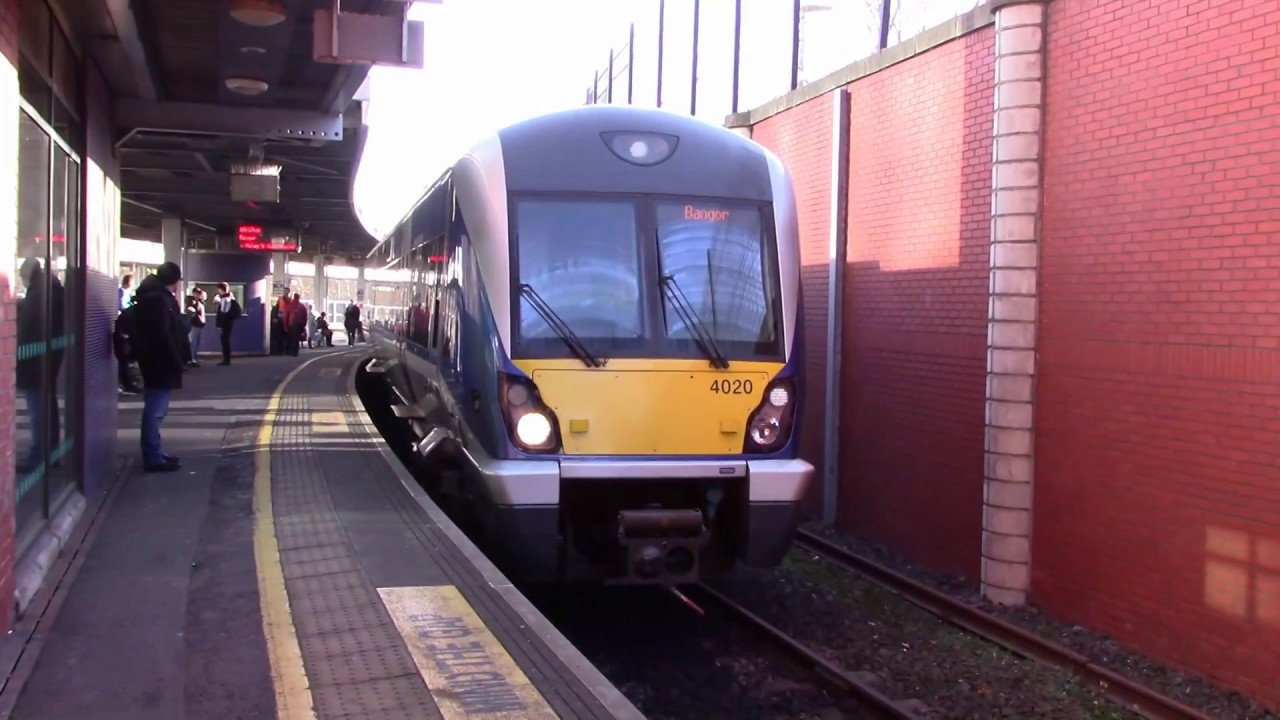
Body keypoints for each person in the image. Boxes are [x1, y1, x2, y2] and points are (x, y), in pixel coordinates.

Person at [133, 261, 185, 473]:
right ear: (174, 281)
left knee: (155, 409)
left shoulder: (152, 296)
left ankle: (156, 451)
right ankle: (153, 456)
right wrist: (175, 360)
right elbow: (164, 334)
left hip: (153, 359)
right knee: (155, 411)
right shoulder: (158, 300)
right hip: (159, 361)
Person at [16, 257, 65, 472]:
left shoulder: (38, 296)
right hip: (48, 360)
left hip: (35, 363)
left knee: (38, 412)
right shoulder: (51, 291)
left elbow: (28, 332)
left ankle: (38, 457)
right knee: (47, 410)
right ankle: (50, 453)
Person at [213, 282, 242, 366]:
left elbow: (223, 313)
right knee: (225, 341)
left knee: (225, 341)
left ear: (222, 289)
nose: (218, 291)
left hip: (225, 324)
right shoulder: (229, 297)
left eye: (219, 289)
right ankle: (226, 359)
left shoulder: (225, 299)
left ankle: (226, 360)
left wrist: (220, 325)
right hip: (228, 323)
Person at [186, 287, 206, 366]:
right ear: (194, 293)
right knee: (193, 342)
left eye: (199, 293)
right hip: (195, 324)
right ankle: (192, 359)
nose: (198, 295)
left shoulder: (200, 302)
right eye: (197, 293)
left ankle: (194, 357)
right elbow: (189, 309)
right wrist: (192, 311)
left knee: (197, 342)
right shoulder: (192, 301)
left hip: (199, 324)